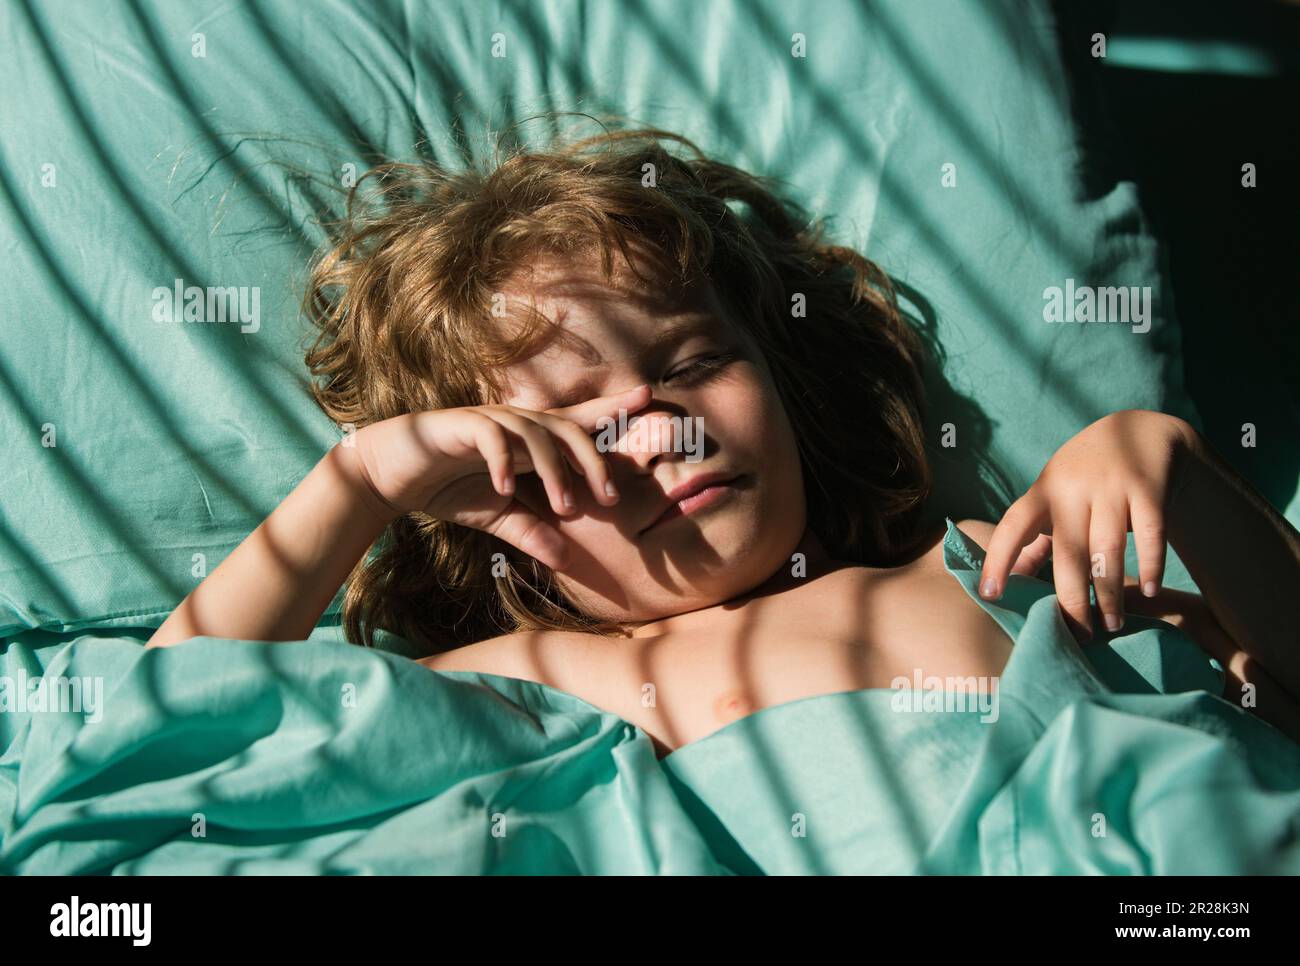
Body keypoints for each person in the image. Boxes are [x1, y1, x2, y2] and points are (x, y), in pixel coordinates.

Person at [147, 126, 1300, 756]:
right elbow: (148, 748)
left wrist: (1168, 471)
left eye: (694, 364)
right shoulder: (483, 684)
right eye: (574, 429)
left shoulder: (986, 565)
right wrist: (356, 483)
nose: (667, 429)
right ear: (481, 499)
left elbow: (1279, 696)